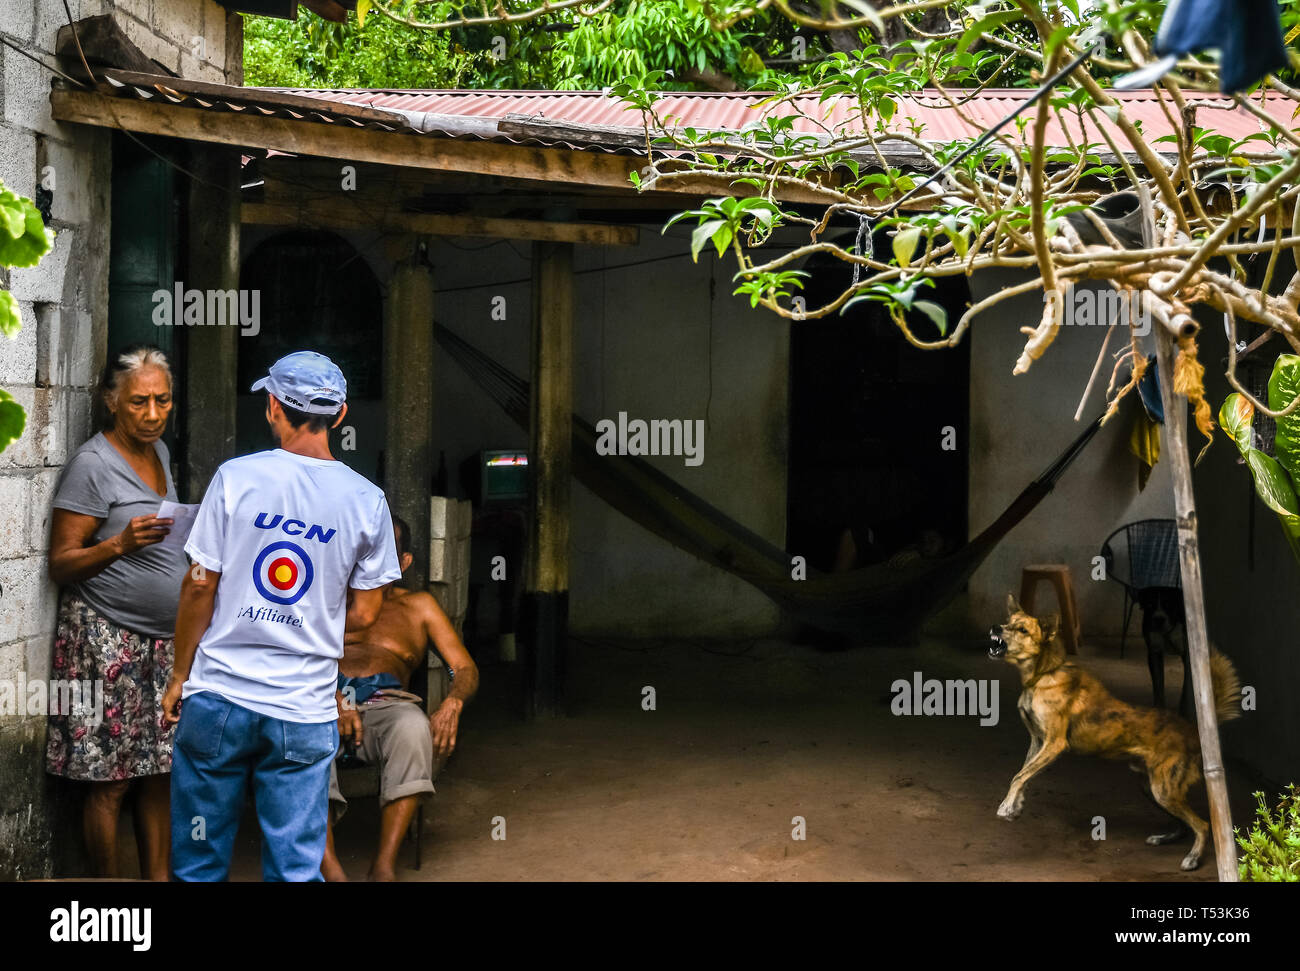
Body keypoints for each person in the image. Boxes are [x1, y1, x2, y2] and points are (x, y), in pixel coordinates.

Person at [162, 350, 401, 882]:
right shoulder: (367, 500)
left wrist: (179, 676)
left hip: (219, 699)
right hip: (303, 709)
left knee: (198, 860)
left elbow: (199, 587)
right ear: (339, 416)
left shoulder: (237, 477)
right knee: (295, 867)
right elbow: (365, 613)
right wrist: (305, 624)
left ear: (273, 406)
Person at [46, 344, 185, 881]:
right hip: (105, 642)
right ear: (112, 402)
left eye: (162, 401)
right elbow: (61, 563)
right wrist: (119, 545)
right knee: (111, 781)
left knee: (159, 774)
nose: (152, 415)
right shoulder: (92, 465)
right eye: (139, 403)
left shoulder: (161, 453)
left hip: (160, 644)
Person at [321, 514, 479, 882]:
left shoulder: (419, 606)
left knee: (412, 726)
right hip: (321, 696)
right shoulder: (325, 599)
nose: (371, 556)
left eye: (384, 548)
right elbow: (290, 656)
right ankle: (328, 867)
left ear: (404, 561)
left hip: (385, 702)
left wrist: (453, 701)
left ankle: (384, 866)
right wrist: (332, 697)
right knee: (303, 735)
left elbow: (465, 668)